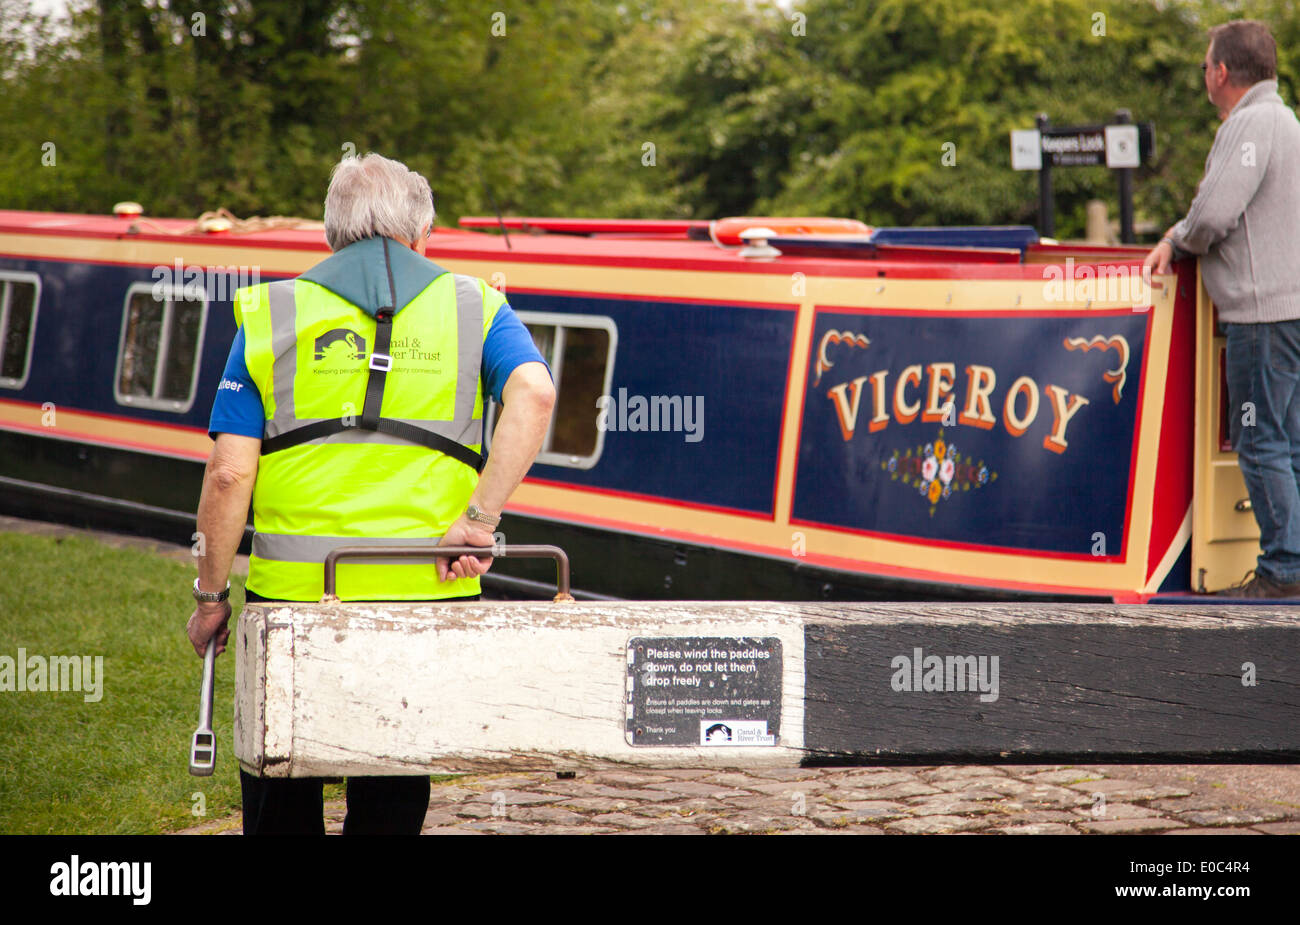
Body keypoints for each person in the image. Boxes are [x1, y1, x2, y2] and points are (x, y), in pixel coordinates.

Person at [185, 152, 555, 833]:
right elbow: (535, 392)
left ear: (329, 235)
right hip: (425, 596)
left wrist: (211, 598)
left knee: (281, 782)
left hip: (295, 602)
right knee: (390, 789)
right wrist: (479, 520)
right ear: (422, 235)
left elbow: (230, 472)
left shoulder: (273, 312)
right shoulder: (478, 306)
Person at [1143, 19, 1300, 598]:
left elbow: (1211, 215)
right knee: (1290, 440)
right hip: (1293, 310)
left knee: (1259, 440)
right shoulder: (1288, 120)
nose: (1204, 75)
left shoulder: (1250, 124)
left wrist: (1176, 240)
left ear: (1222, 72)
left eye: (1205, 65)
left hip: (1260, 316)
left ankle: (1284, 572)